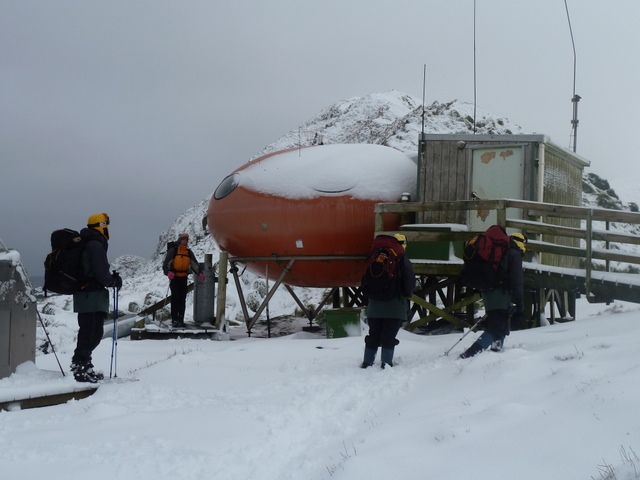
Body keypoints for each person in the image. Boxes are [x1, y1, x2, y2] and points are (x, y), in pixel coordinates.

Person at [70, 213, 122, 383]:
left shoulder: (89, 242)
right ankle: (80, 366)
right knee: (91, 332)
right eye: (106, 225)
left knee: (90, 331)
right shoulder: (95, 245)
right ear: (102, 226)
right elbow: (101, 272)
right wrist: (113, 281)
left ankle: (84, 365)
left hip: (86, 295)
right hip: (91, 295)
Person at [460, 232, 527, 358]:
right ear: (521, 243)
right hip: (499, 293)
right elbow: (517, 281)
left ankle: (496, 351)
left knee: (501, 323)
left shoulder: (502, 250)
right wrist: (520, 303)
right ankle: (470, 353)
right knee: (497, 326)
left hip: (489, 291)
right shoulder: (514, 254)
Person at [361, 233, 416, 369]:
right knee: (389, 335)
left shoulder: (375, 256)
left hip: (374, 306)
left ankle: (367, 362)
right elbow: (409, 282)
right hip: (394, 306)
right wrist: (406, 295)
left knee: (373, 334)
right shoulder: (401, 258)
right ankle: (386, 363)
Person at [162, 233, 205, 328]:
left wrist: (200, 273)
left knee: (182, 299)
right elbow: (166, 264)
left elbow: (194, 264)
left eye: (186, 239)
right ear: (180, 240)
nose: (185, 241)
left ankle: (180, 320)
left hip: (183, 277)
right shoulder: (173, 251)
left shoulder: (189, 252)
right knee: (175, 298)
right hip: (175, 277)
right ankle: (175, 320)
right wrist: (168, 272)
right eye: (183, 239)